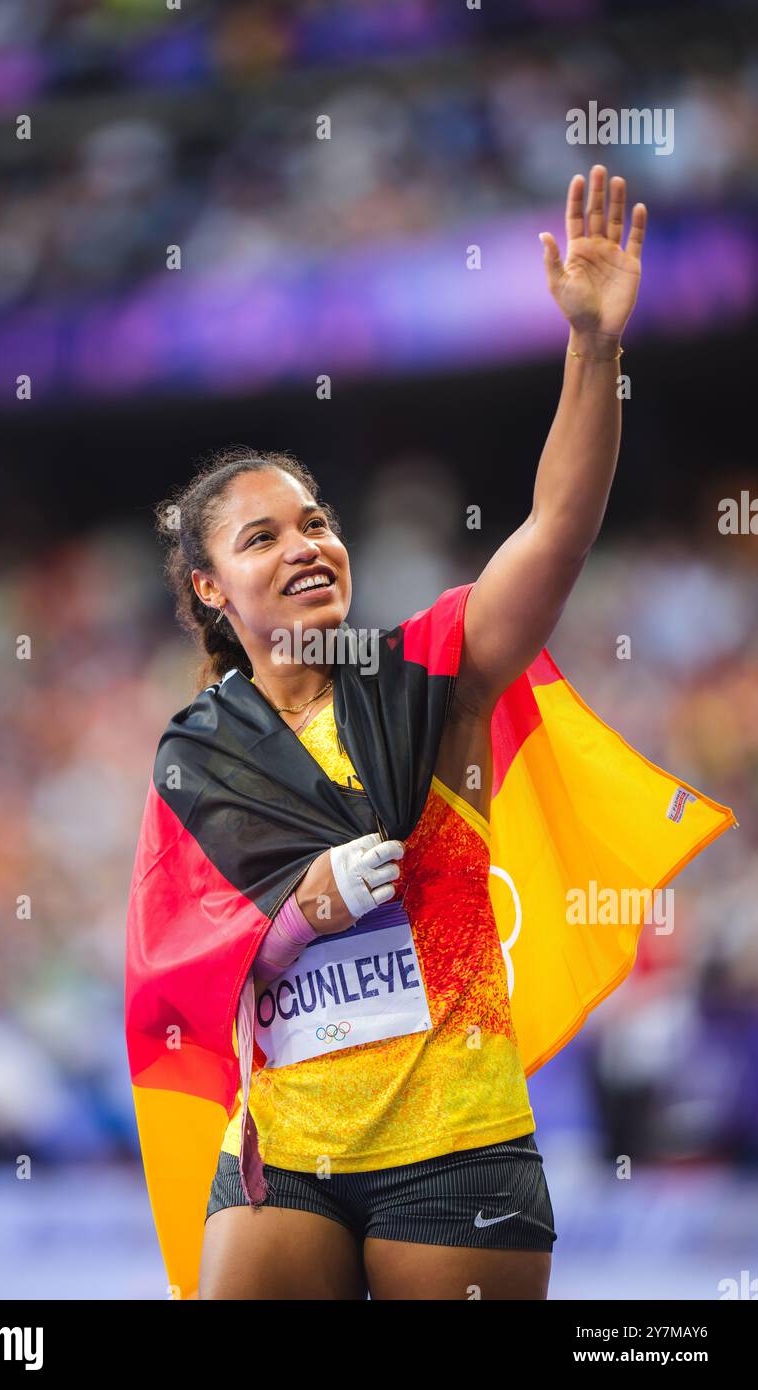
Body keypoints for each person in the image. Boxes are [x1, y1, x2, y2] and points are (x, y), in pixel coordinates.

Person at [146, 166, 646, 1299]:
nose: (306, 544)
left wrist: (591, 348)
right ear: (211, 589)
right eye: (263, 536)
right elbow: (180, 964)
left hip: (453, 1148)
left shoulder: (435, 667)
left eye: (316, 520)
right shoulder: (195, 751)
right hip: (282, 1152)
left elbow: (557, 528)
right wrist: (297, 913)